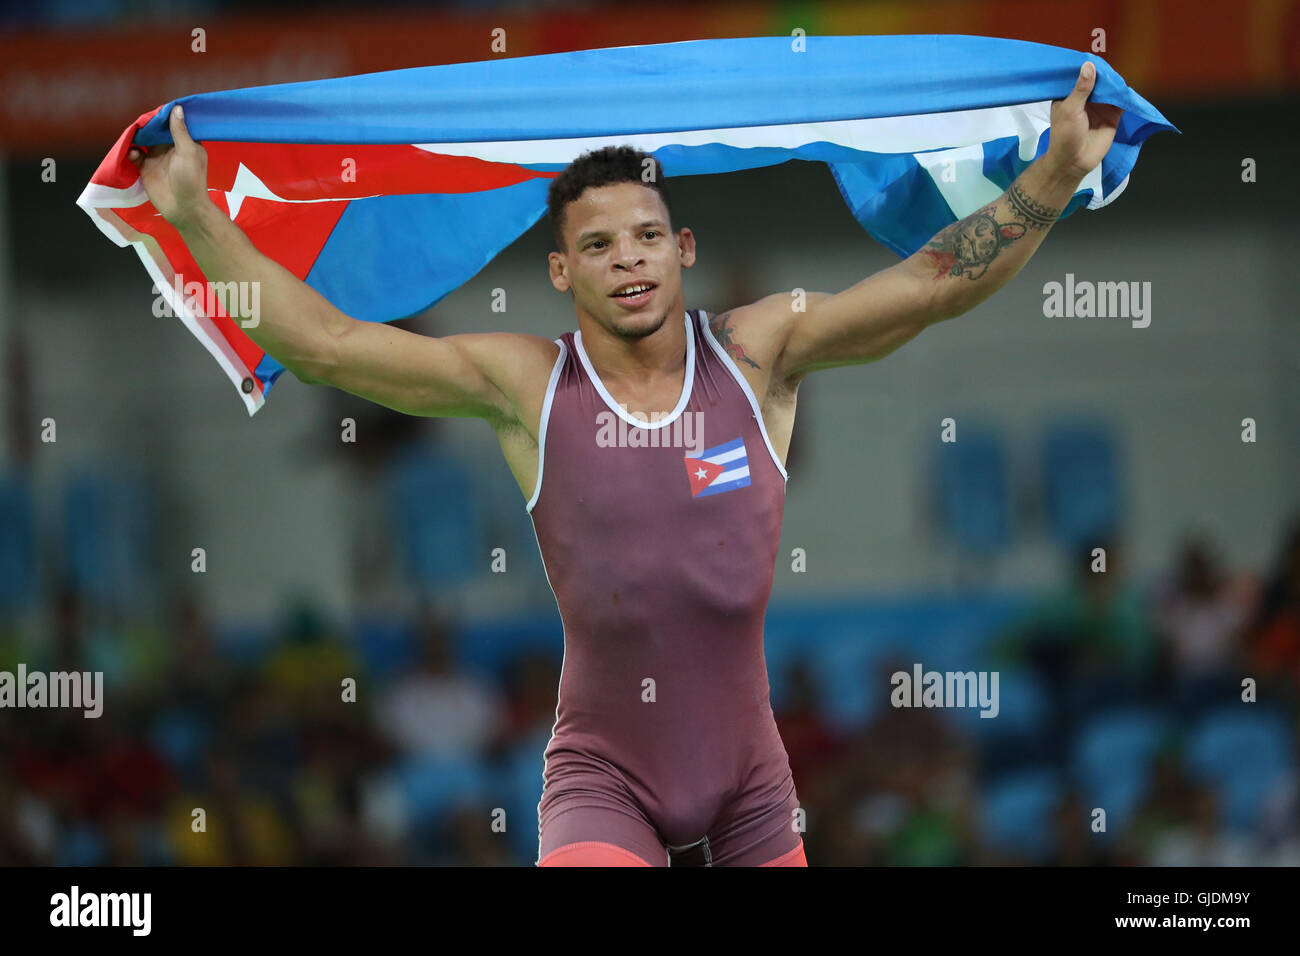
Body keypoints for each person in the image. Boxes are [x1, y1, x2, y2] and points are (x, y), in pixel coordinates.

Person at [126, 63, 1121, 866]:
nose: (629, 258)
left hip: (752, 785)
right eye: (598, 244)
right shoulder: (525, 385)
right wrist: (193, 212)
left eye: (646, 235)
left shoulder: (757, 349)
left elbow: (929, 285)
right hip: (605, 779)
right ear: (561, 271)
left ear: (682, 248)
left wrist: (1053, 173)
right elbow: (330, 346)